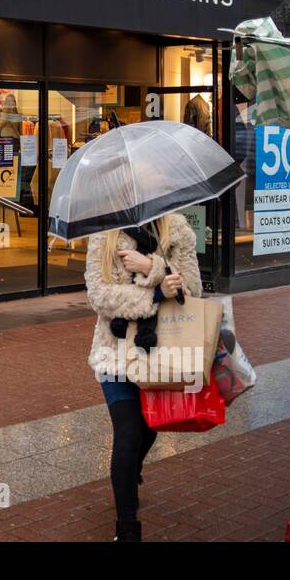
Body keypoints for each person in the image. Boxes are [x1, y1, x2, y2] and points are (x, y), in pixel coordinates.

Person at [85, 212, 201, 542]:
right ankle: (127, 529)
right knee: (128, 432)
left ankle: (130, 468)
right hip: (115, 352)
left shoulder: (177, 229)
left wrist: (152, 267)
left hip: (159, 353)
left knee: (149, 429)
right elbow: (98, 295)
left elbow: (192, 291)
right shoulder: (104, 233)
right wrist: (152, 295)